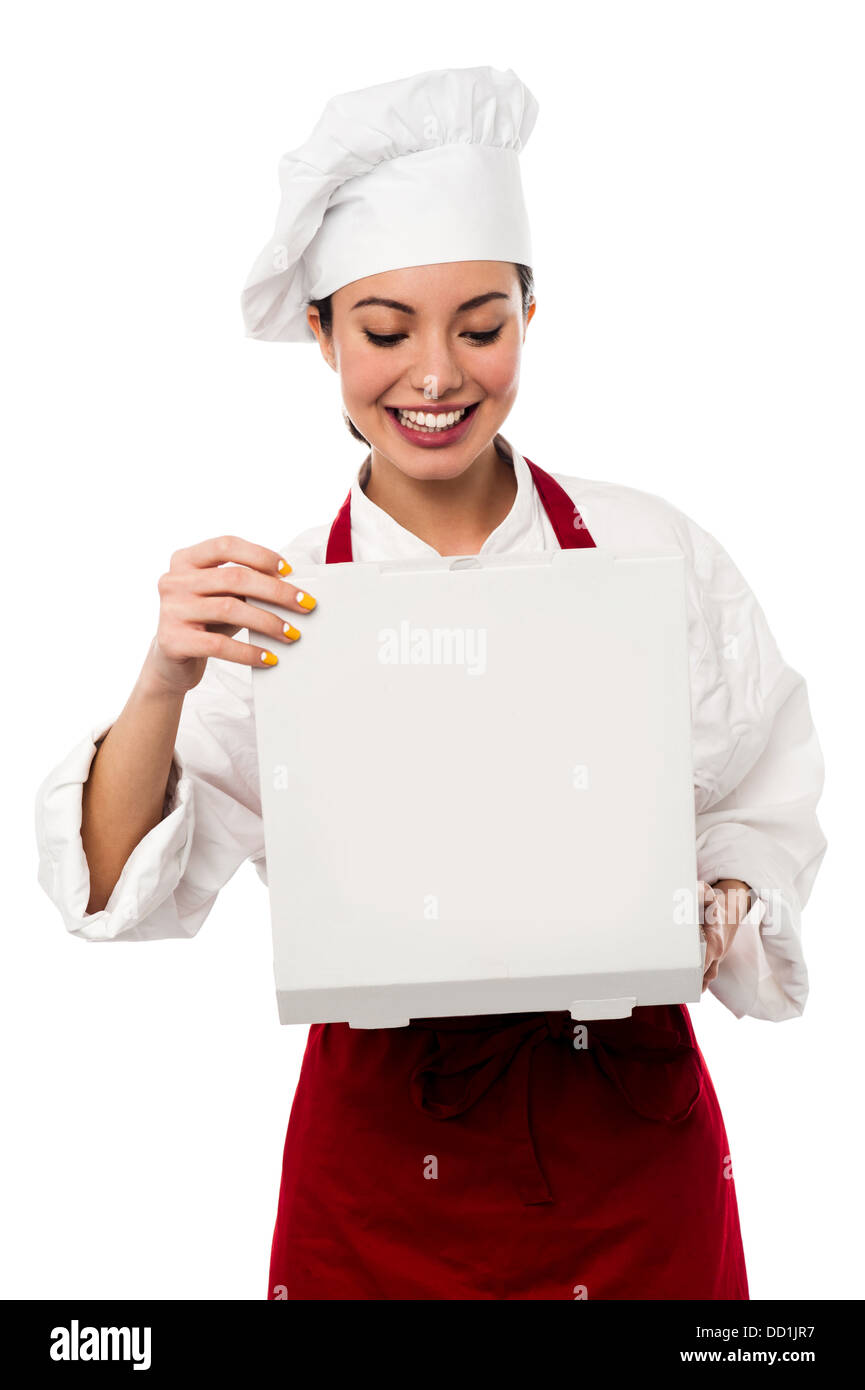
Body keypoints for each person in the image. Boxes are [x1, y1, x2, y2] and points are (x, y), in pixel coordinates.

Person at [35, 66, 827, 1301]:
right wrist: (165, 677)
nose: (435, 375)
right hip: (378, 1177)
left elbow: (757, 802)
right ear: (322, 333)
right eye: (387, 330)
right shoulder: (283, 602)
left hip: (627, 1141)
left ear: (528, 312)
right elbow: (117, 888)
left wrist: (722, 899)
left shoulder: (648, 552)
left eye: (480, 324)